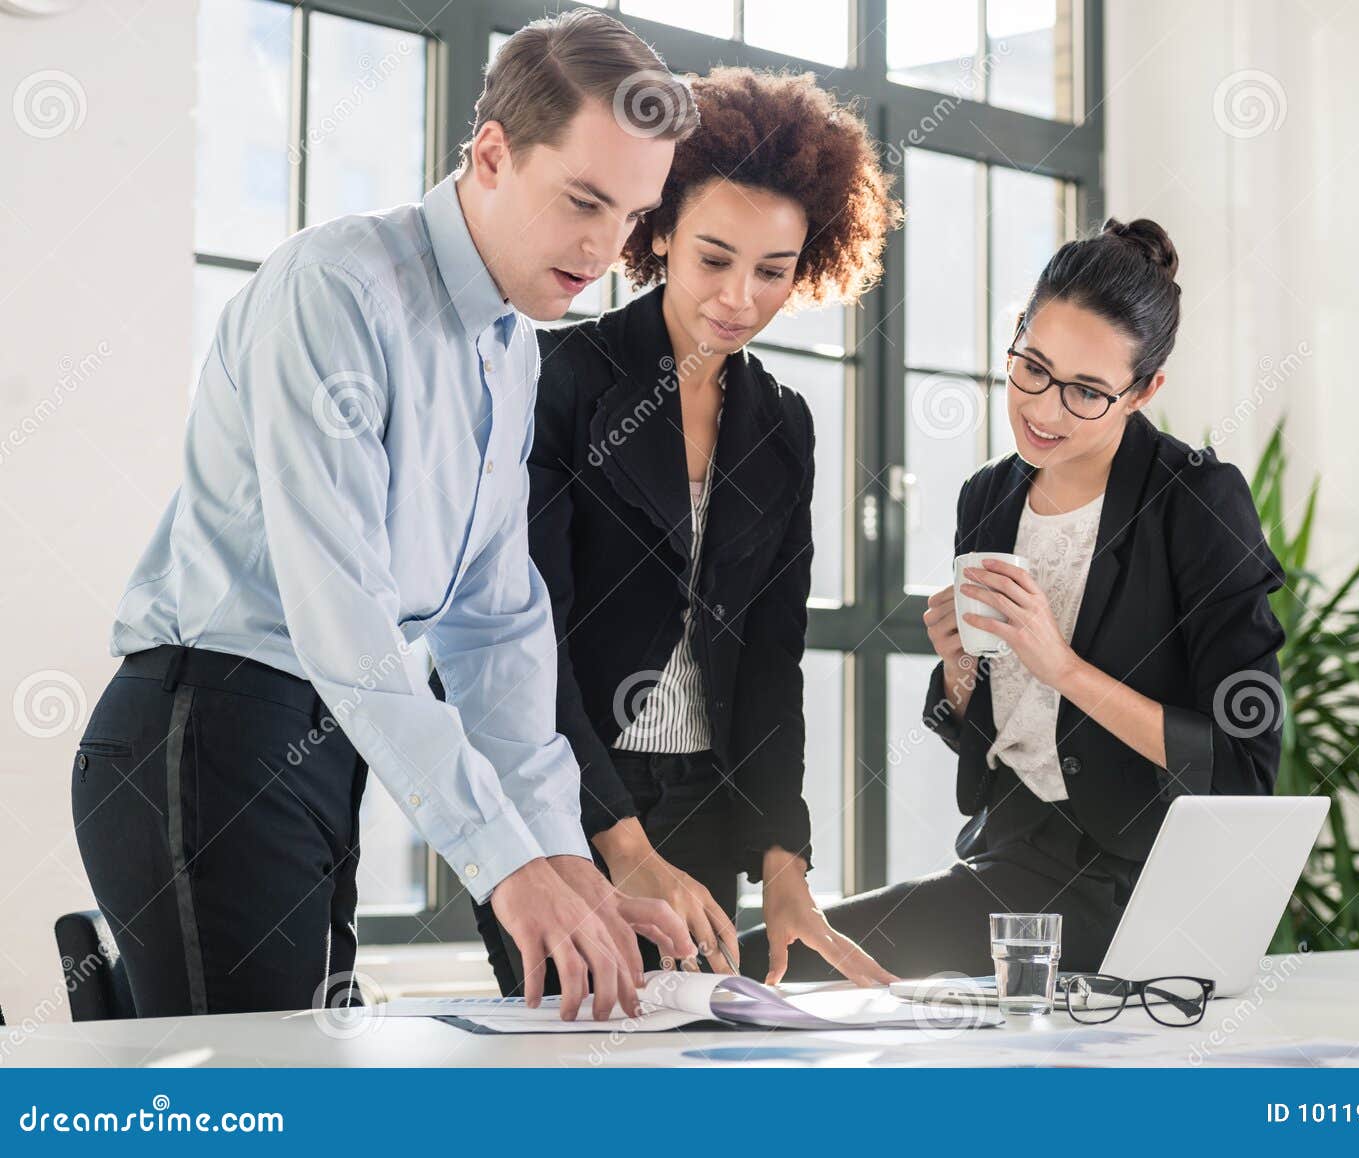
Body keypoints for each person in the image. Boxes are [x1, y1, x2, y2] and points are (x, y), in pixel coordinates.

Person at [71, 11, 699, 1022]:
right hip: (208, 729)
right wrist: (503, 865)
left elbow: (494, 627)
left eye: (630, 216)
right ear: (491, 154)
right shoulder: (338, 289)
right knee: (268, 1107)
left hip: (323, 741)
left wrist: (558, 856)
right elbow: (343, 614)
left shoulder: (508, 344)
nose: (605, 248)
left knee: (313, 1079)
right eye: (583, 200)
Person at [739, 218, 1288, 980]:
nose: (1046, 409)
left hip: (1133, 886)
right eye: (1032, 366)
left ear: (1145, 390)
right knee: (762, 961)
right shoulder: (991, 497)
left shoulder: (1194, 501)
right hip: (1009, 859)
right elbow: (983, 732)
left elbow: (1242, 763)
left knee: (777, 961)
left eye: (1087, 392)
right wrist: (961, 671)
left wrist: (1060, 666)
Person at [472, 67, 902, 994]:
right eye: (714, 258)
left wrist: (786, 867)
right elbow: (521, 639)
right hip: (568, 797)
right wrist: (617, 840)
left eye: (774, 272)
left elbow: (770, 660)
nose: (740, 297)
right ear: (657, 229)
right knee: (584, 1054)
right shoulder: (559, 378)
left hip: (710, 805)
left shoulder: (783, 424)